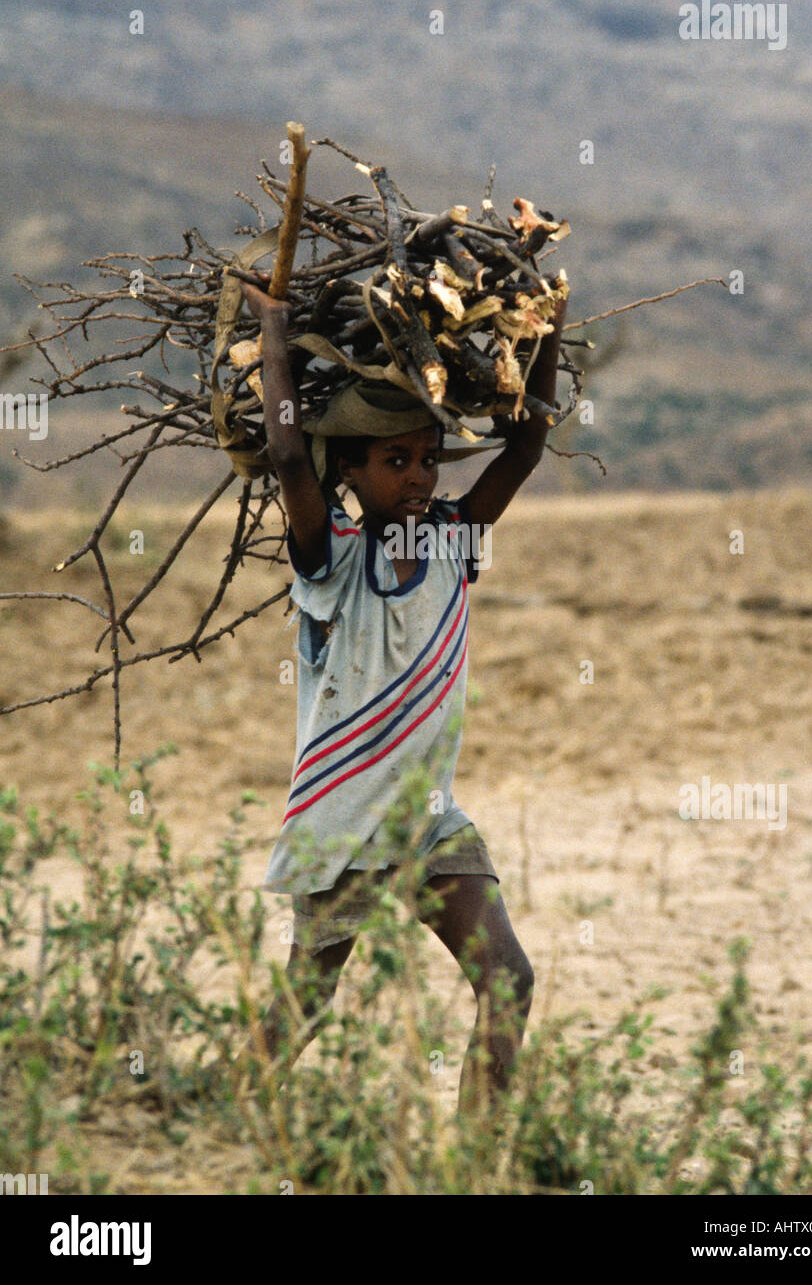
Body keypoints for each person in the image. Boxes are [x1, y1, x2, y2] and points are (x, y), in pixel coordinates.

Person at [241, 277, 567, 1114]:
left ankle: (479, 1168)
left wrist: (545, 330)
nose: (420, 478)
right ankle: (231, 1119)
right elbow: (285, 454)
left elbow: (525, 448)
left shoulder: (458, 541)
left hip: (428, 820)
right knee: (306, 1004)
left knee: (509, 981)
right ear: (347, 468)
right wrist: (273, 334)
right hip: (344, 824)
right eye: (395, 462)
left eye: (427, 458)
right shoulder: (331, 560)